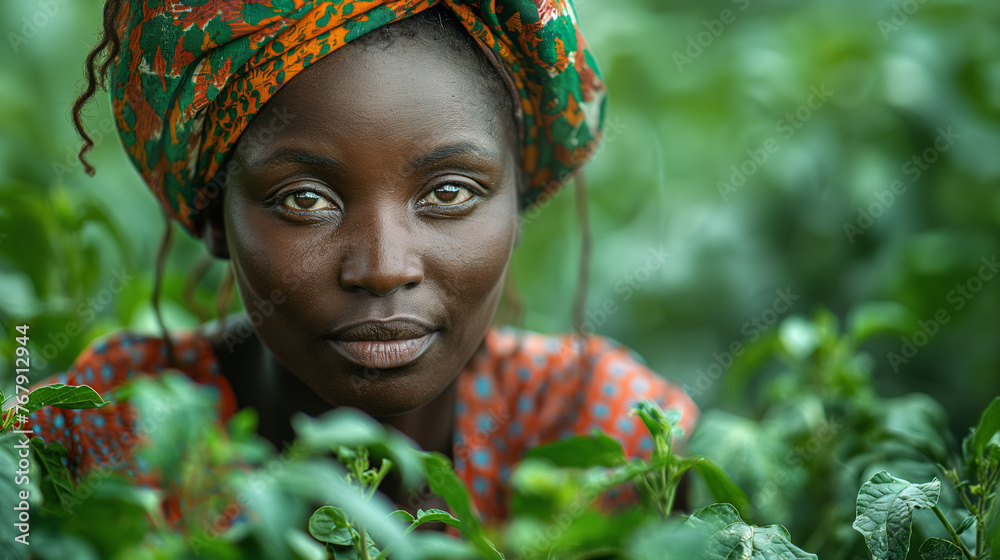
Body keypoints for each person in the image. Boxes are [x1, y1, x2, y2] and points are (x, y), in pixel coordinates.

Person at [27, 0, 698, 527]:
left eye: (449, 193)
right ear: (212, 217)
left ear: (518, 202)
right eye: (305, 200)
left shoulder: (604, 440)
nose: (382, 268)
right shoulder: (100, 437)